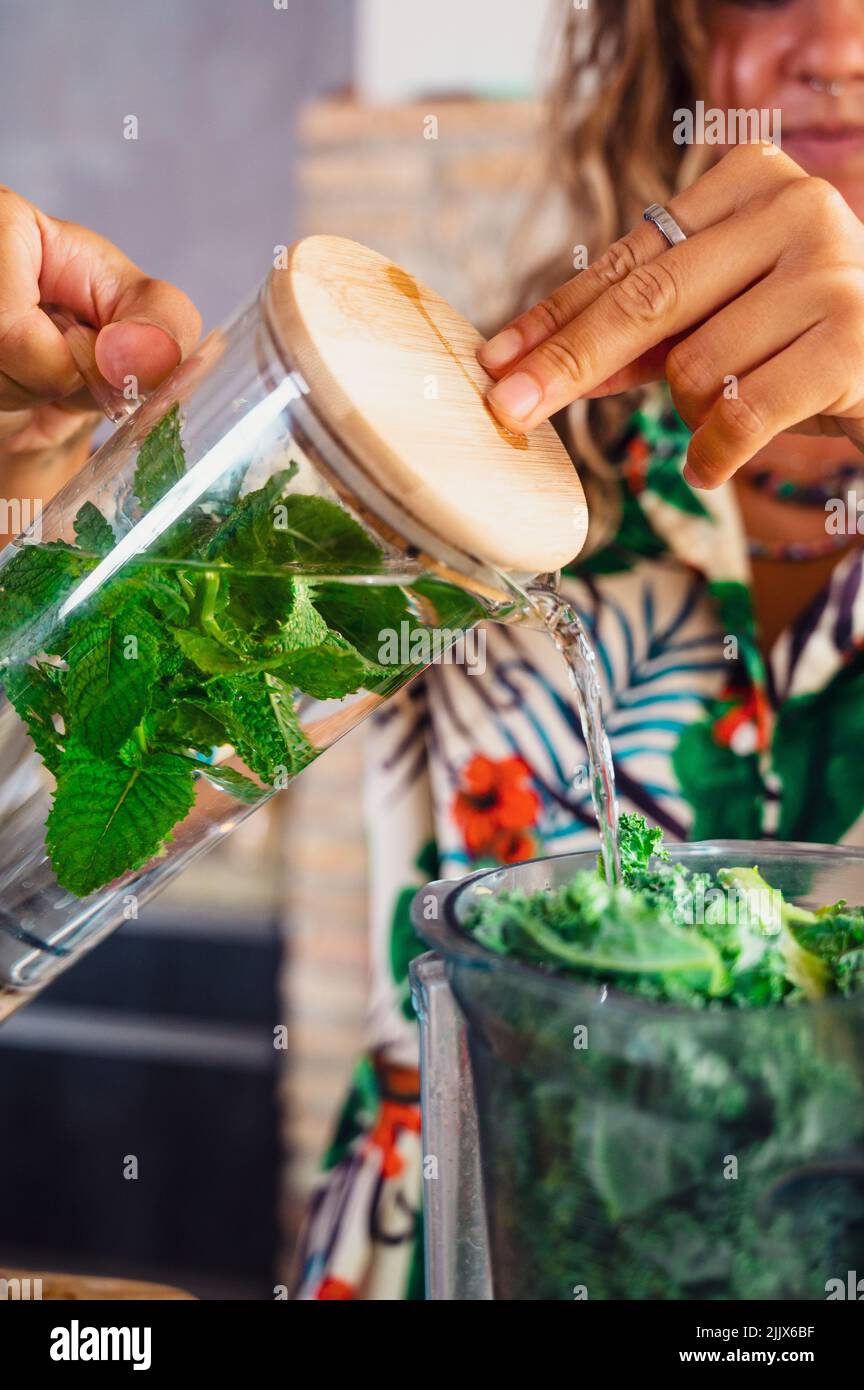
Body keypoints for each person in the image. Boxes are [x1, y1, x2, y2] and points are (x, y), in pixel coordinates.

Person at [2, 0, 864, 1299]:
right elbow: (73, 833)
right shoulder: (477, 468)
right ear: (678, 48)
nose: (838, 44)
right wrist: (35, 522)